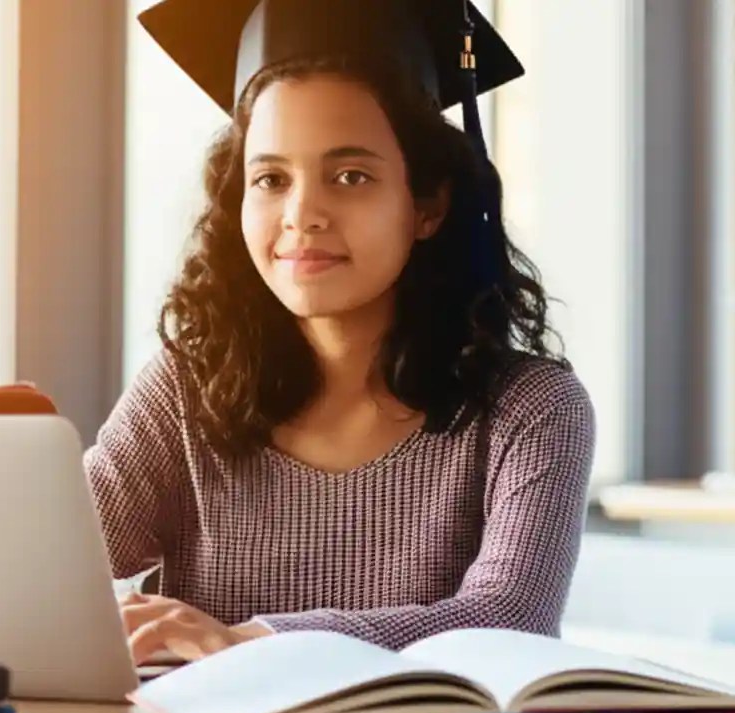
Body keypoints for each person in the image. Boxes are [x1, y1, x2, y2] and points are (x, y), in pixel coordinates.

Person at [88, 0, 597, 666]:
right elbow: (56, 563)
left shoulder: (530, 409)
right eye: (270, 178)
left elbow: (507, 618)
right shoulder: (185, 386)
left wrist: (250, 641)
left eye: (350, 176)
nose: (303, 215)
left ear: (427, 206)